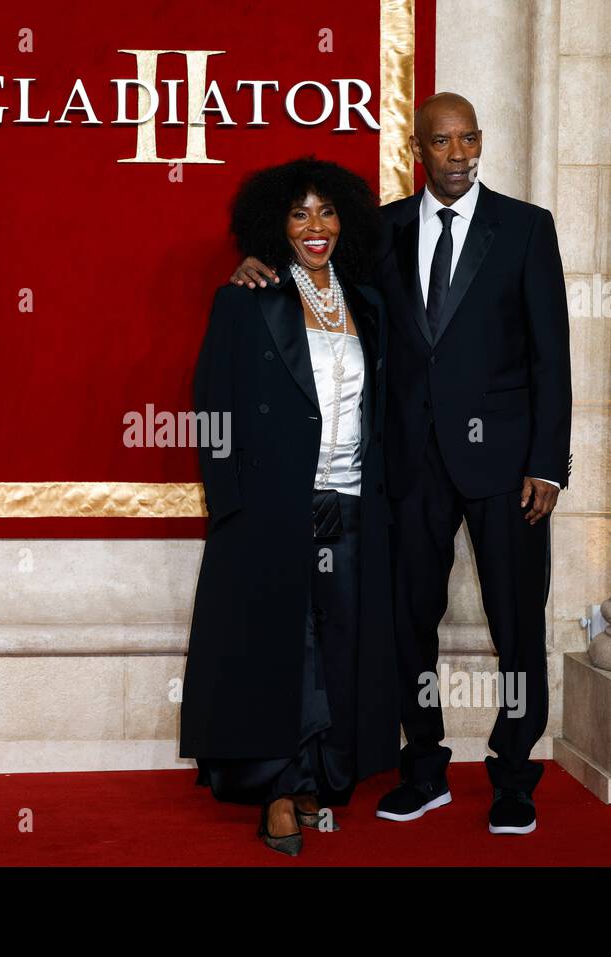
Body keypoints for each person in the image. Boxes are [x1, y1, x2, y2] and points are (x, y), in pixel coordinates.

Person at [231, 93, 572, 836]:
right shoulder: (381, 229)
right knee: (410, 624)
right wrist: (255, 261)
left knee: (517, 624)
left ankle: (515, 771)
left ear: (480, 143)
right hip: (409, 467)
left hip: (508, 468)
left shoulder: (524, 228)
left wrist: (548, 462)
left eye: (469, 138)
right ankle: (424, 766)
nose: (458, 153)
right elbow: (318, 284)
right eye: (442, 141)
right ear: (419, 149)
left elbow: (553, 354)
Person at [179, 158, 400, 856]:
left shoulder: (368, 302)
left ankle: (316, 778)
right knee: (281, 648)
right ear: (277, 221)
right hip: (273, 506)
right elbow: (210, 404)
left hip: (353, 502)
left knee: (337, 643)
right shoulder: (248, 296)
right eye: (300, 213)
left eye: (327, 212)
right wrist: (232, 505)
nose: (315, 227)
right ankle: (276, 790)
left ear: (347, 222)